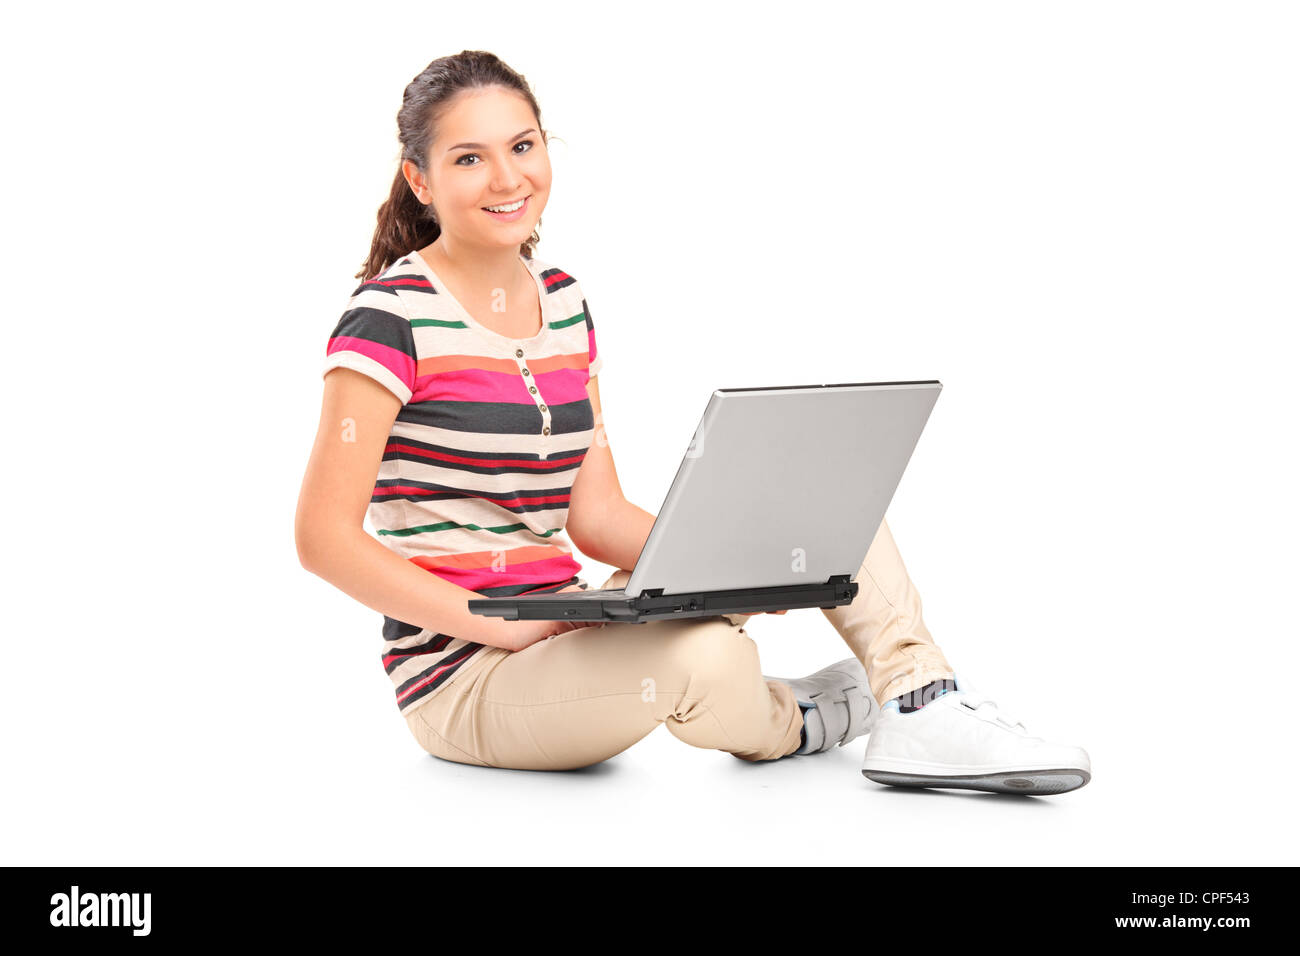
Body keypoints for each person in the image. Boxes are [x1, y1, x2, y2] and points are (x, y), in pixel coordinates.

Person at [294, 50, 1092, 795]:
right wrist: (488, 625)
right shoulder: (388, 319)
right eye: (469, 158)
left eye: (523, 145)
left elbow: (596, 517)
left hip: (568, 621)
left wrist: (748, 561)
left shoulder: (564, 303)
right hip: (468, 676)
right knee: (706, 660)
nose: (507, 177)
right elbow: (322, 538)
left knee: (815, 501)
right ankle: (804, 717)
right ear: (420, 179)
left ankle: (920, 700)